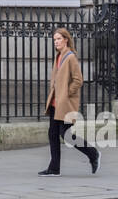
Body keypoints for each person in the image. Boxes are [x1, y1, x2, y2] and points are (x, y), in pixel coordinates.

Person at [40, 28, 99, 176]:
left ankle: (93, 154)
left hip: (64, 103)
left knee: (65, 134)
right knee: (52, 134)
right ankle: (54, 168)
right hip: (55, 103)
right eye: (54, 39)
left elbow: (78, 80)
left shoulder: (70, 57)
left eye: (59, 39)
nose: (56, 42)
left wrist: (66, 94)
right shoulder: (58, 56)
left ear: (66, 39)